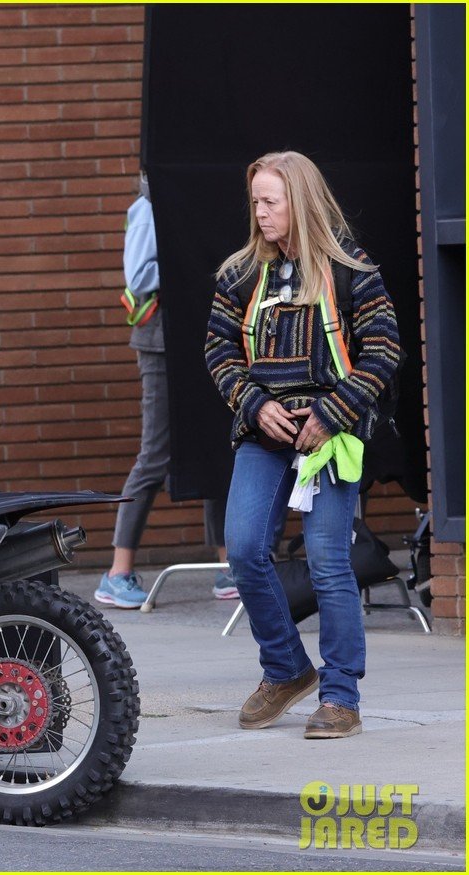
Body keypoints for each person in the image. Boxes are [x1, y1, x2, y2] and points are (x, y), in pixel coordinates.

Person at [205, 151, 401, 739]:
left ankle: (341, 697)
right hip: (263, 430)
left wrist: (334, 413)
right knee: (242, 550)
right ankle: (287, 669)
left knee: (328, 562)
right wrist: (255, 405)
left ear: (301, 202)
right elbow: (218, 352)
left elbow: (385, 349)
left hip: (329, 434)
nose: (260, 213)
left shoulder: (351, 269)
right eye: (256, 202)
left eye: (271, 202)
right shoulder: (239, 274)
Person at [96, 172, 236, 609]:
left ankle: (227, 566)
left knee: (217, 447)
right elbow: (139, 279)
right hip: (159, 345)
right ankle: (117, 572)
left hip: (201, 338)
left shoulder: (191, 204)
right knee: (155, 456)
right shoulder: (148, 208)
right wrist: (188, 258)